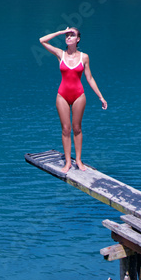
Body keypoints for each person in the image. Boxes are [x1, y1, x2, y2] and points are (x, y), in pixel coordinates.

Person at [39, 27, 107, 173]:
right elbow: (42, 40)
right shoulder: (60, 54)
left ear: (78, 39)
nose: (68, 37)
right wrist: (60, 32)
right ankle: (68, 162)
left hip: (78, 95)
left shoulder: (84, 57)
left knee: (77, 128)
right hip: (62, 95)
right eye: (67, 35)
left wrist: (101, 97)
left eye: (72, 35)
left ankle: (79, 160)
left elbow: (90, 78)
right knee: (66, 129)